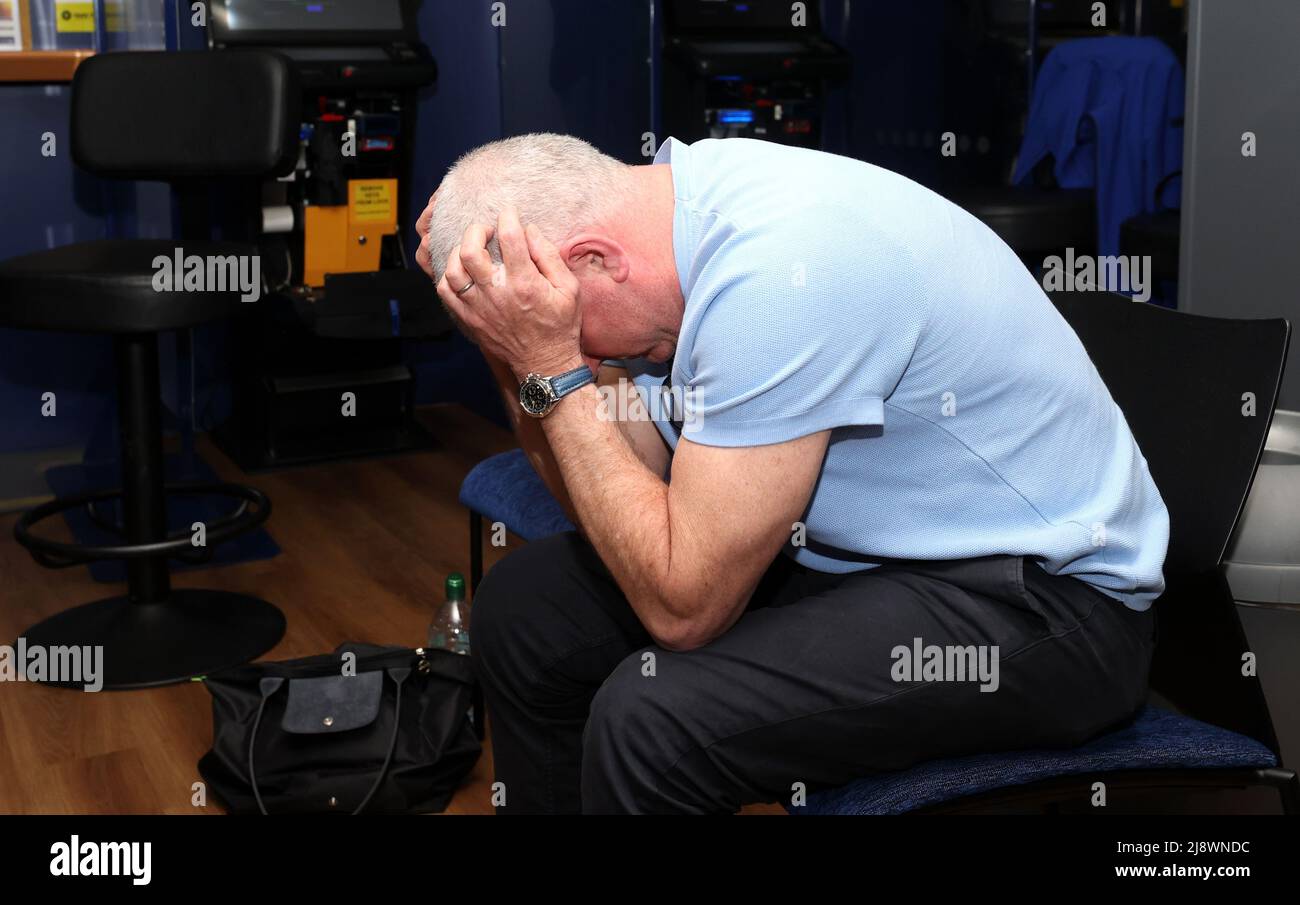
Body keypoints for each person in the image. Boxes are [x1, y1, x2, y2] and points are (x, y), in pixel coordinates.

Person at [414, 133, 1169, 814]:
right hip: (870, 554)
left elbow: (683, 606)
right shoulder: (670, 219)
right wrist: (508, 339)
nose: (593, 360)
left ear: (592, 261)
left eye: (563, 326)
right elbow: (613, 484)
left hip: (1051, 608)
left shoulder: (781, 274)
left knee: (650, 719)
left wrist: (547, 361)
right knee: (523, 613)